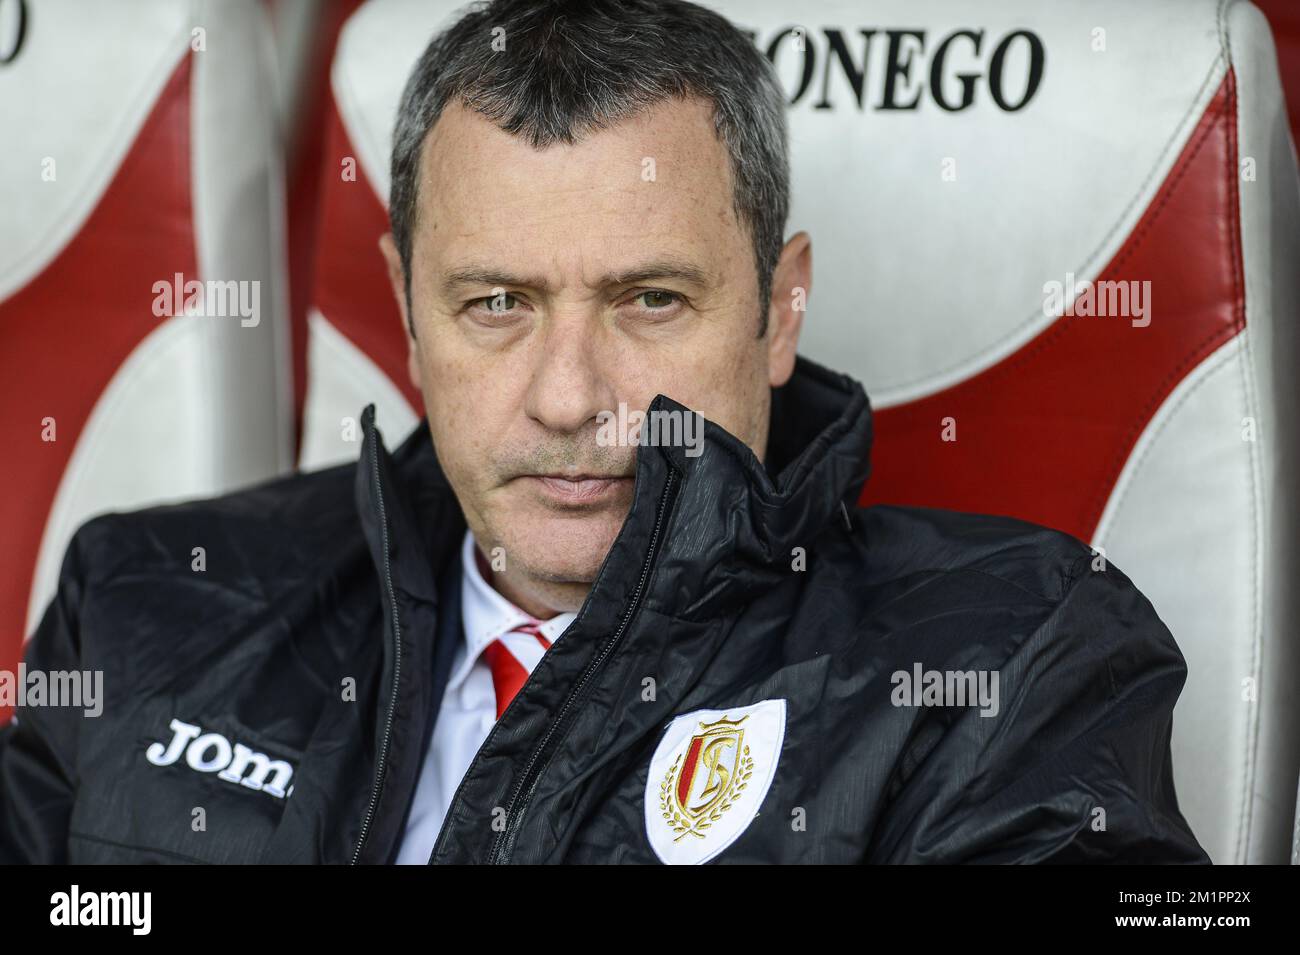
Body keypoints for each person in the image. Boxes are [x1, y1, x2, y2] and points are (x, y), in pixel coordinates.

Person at [0, 0, 1208, 864]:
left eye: (649, 300)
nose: (571, 398)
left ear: (779, 307)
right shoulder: (141, 598)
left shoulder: (1010, 664)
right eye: (495, 304)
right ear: (410, 310)